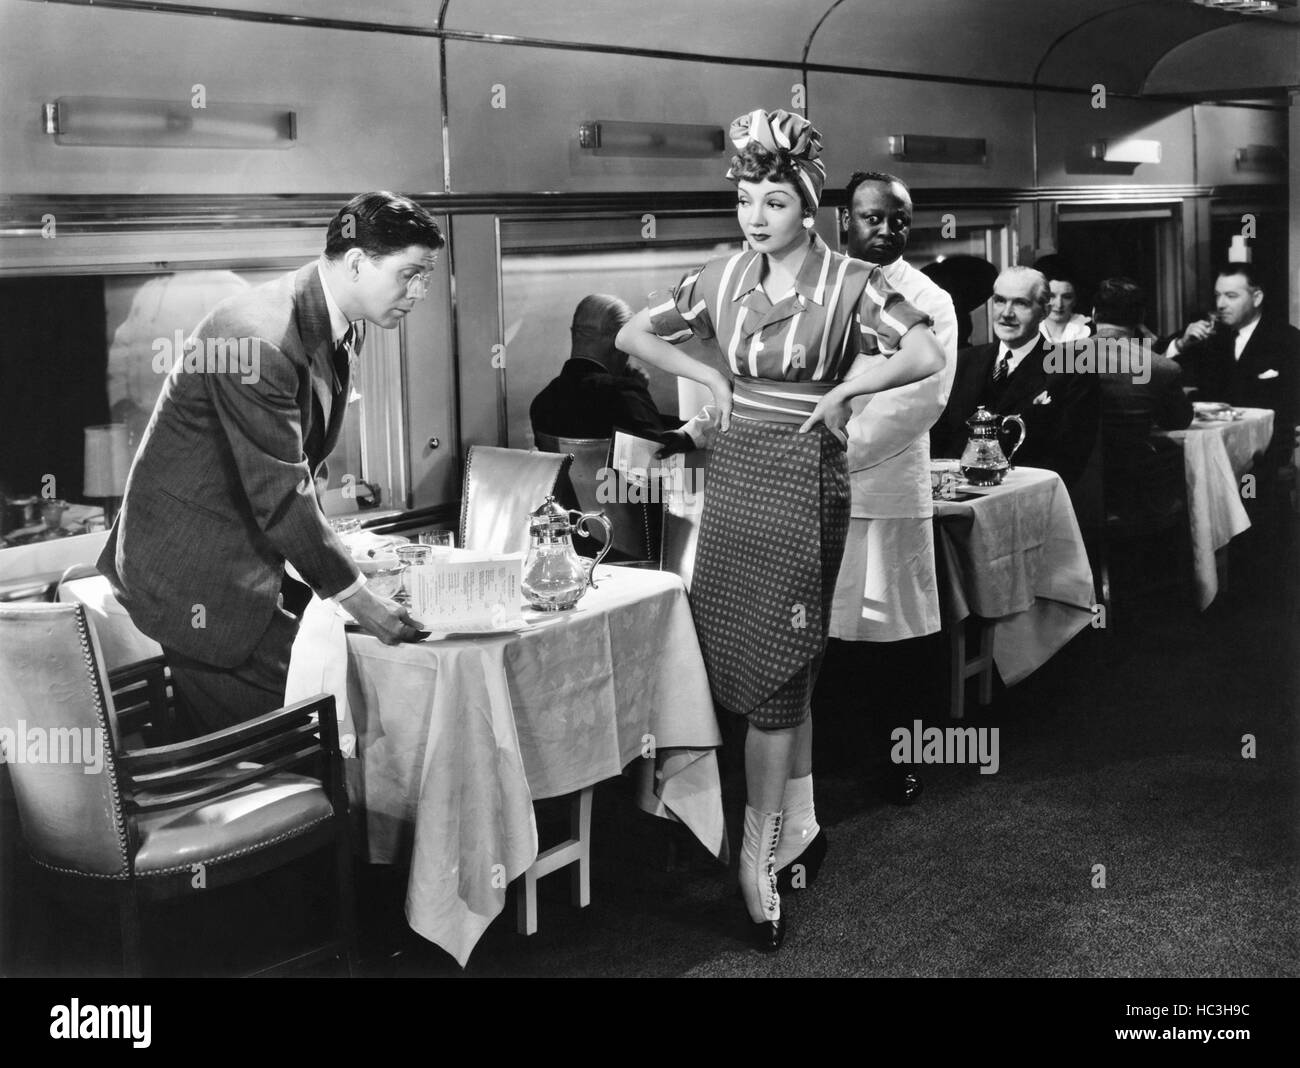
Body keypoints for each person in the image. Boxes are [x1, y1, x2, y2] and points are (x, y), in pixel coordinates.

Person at [617, 109, 945, 951]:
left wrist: (841, 393)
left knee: (783, 672)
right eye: (747, 203)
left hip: (804, 481)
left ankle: (755, 857)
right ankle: (790, 828)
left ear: (808, 209)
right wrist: (703, 372)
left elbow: (924, 354)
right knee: (745, 661)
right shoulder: (721, 277)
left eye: (775, 204)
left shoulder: (849, 282)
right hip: (734, 480)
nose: (756, 219)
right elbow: (631, 334)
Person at [99, 192, 443, 736]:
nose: (421, 291)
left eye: (426, 276)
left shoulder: (334, 326)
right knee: (314, 728)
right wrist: (363, 603)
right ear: (356, 264)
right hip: (194, 580)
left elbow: (299, 467)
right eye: (411, 274)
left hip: (243, 563)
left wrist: (347, 567)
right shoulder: (258, 338)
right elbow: (282, 492)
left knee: (346, 696)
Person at [826, 171, 958, 803]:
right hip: (820, 485)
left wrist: (833, 451)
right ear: (843, 221)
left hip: (885, 485)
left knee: (896, 634)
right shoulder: (818, 286)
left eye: (899, 219)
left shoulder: (929, 298)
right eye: (873, 217)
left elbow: (920, 400)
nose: (886, 229)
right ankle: (831, 754)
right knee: (827, 628)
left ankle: (899, 760)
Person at [931, 266, 1099, 487]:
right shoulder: (962, 362)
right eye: (1000, 300)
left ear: (1045, 311)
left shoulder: (1072, 370)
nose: (1006, 313)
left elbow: (1068, 460)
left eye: (1021, 303)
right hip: (957, 499)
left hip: (1025, 500)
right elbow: (937, 442)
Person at [1164, 262, 1299, 465]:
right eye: (1218, 295)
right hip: (1206, 455)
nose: (1220, 304)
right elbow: (1156, 369)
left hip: (1266, 458)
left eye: (1231, 296)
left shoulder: (1287, 339)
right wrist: (1182, 344)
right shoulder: (1207, 336)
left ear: (1257, 298)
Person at [1091, 277, 1192, 522]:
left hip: (1078, 488)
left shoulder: (1058, 358)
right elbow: (1177, 421)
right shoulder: (1160, 367)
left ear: (1093, 314)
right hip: (1136, 493)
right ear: (1140, 319)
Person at [530, 294, 670, 442]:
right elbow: (659, 454)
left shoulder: (542, 402)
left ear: (574, 334)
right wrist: (637, 394)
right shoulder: (624, 393)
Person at [1035, 259, 1092, 343]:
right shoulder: (1027, 331)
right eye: (1051, 296)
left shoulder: (1087, 328)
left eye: (1066, 297)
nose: (1059, 304)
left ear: (1075, 300)